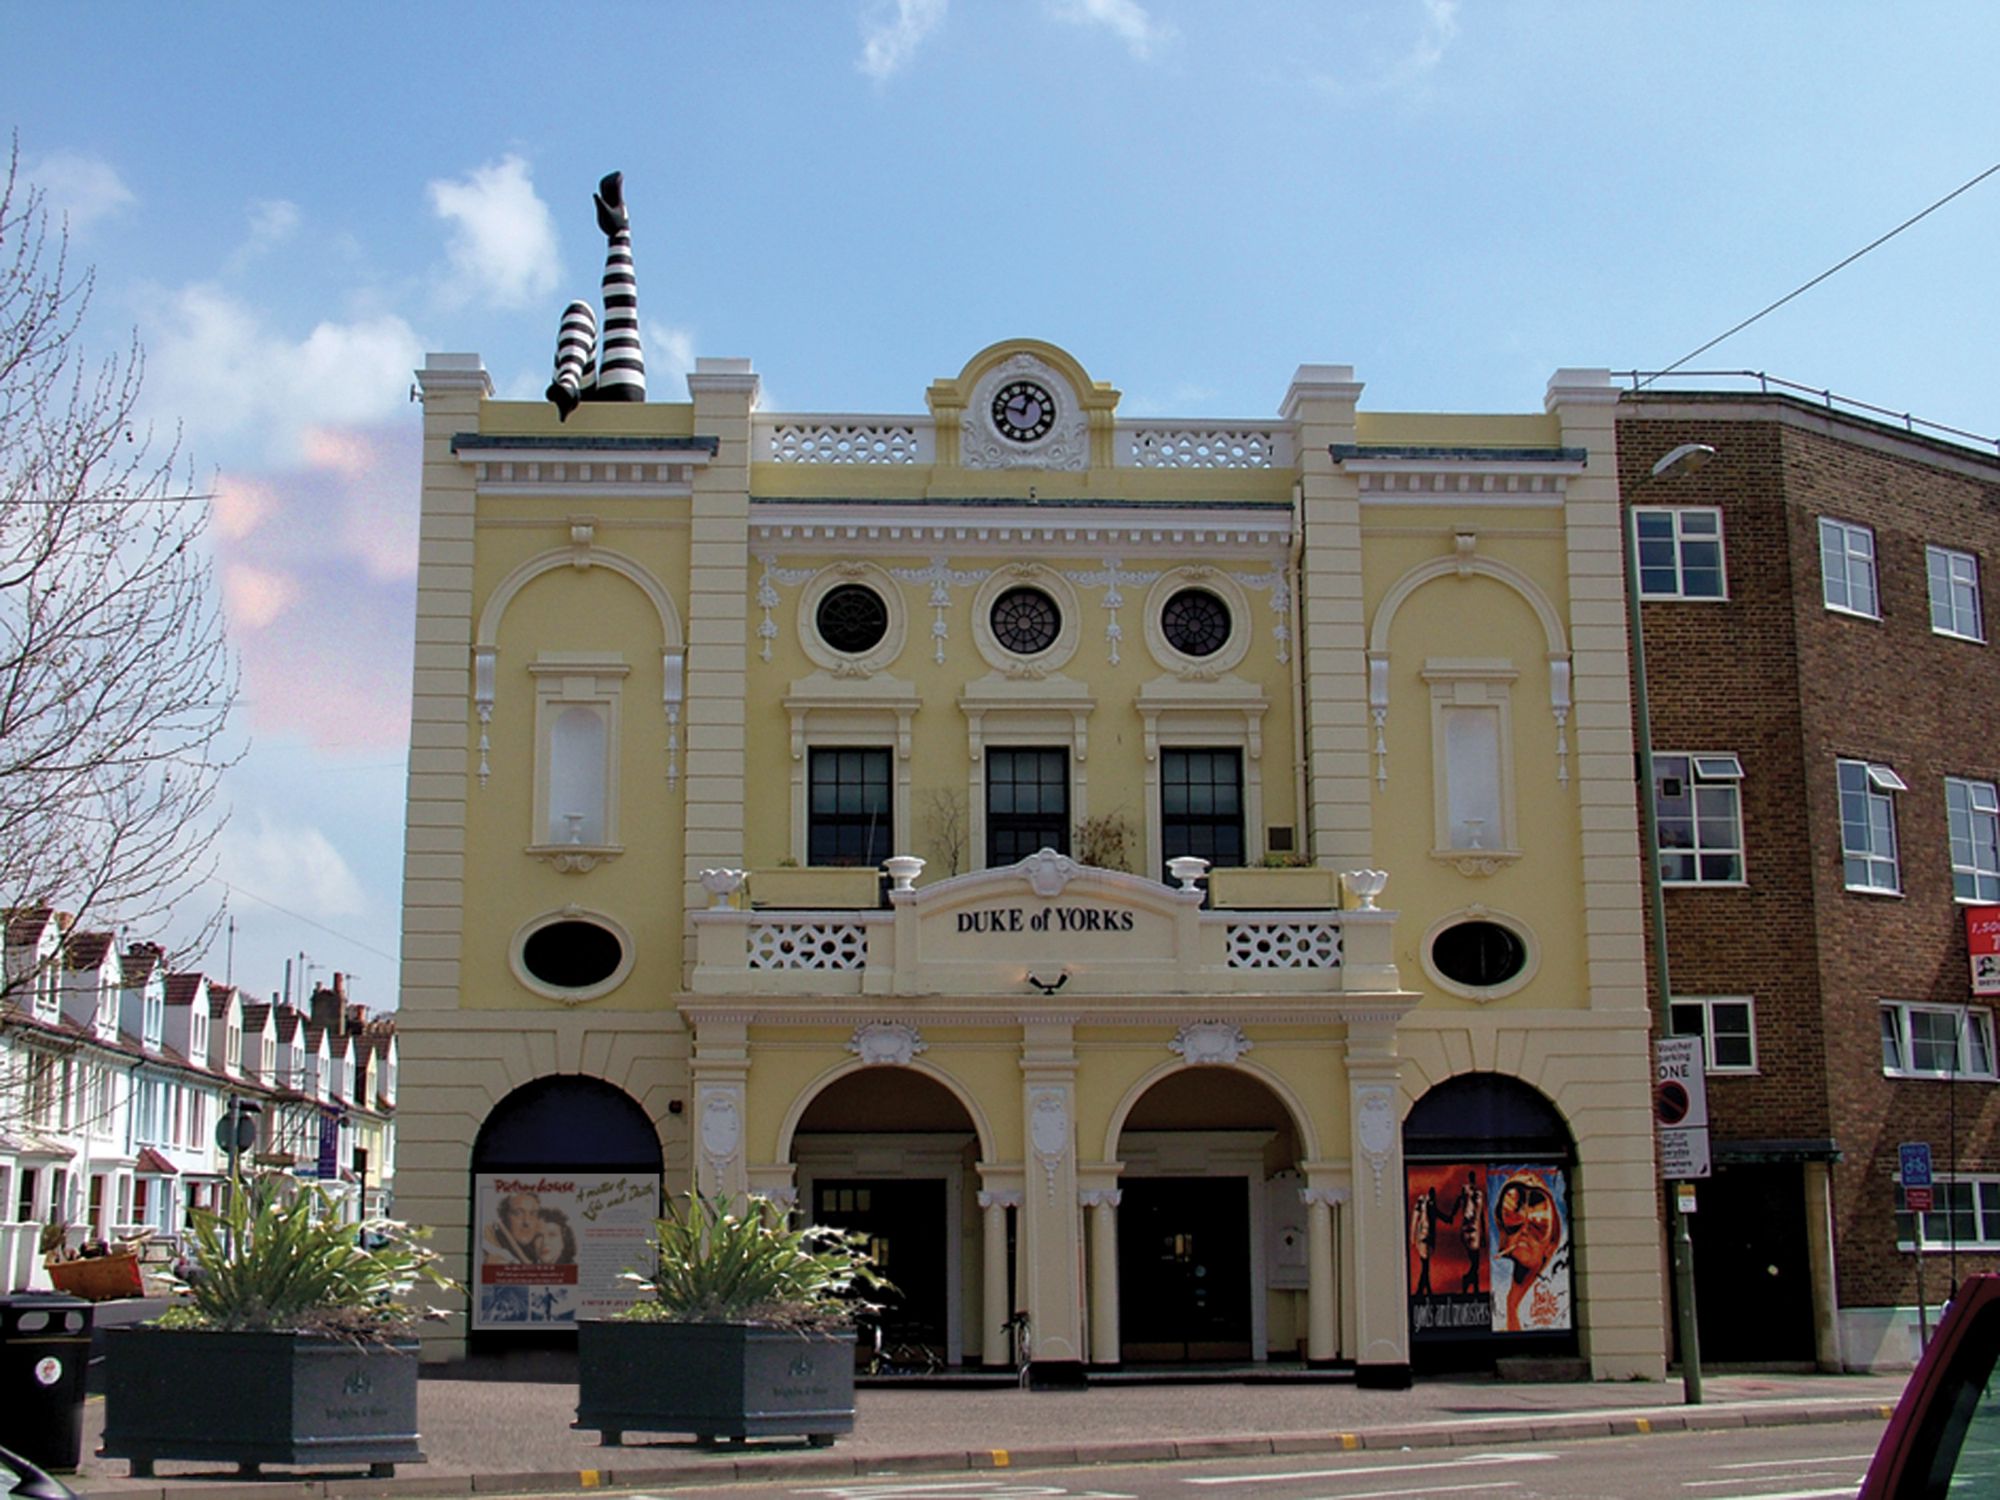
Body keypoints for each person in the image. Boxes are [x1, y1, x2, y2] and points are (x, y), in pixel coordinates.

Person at [1493, 1171, 1563, 1331]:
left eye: (1539, 1224)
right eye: (1512, 1215)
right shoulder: (1499, 1297)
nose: (1524, 1230)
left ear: (1551, 1245)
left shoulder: (1551, 1301)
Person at [482, 1191, 541, 1265]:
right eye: (518, 1213)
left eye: (533, 1214)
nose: (527, 1222)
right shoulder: (487, 1248)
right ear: (504, 1217)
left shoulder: (538, 1254)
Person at [1451, 1170, 1486, 1293]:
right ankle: (1470, 1282)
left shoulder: (1479, 1194)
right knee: (1474, 1260)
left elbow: (1481, 1215)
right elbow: (1459, 1205)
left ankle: (1471, 1283)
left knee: (1475, 1261)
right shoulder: (1465, 1193)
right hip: (1468, 1227)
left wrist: (1484, 1234)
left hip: (1476, 1229)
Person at [1409, 1185, 1438, 1297]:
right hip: (1422, 1237)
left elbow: (1436, 1217)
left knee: (1425, 1266)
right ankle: (1426, 1289)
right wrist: (1412, 1237)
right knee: (1425, 1265)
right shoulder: (1421, 1203)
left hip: (1428, 1238)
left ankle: (1423, 1288)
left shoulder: (1432, 1205)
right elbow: (1414, 1220)